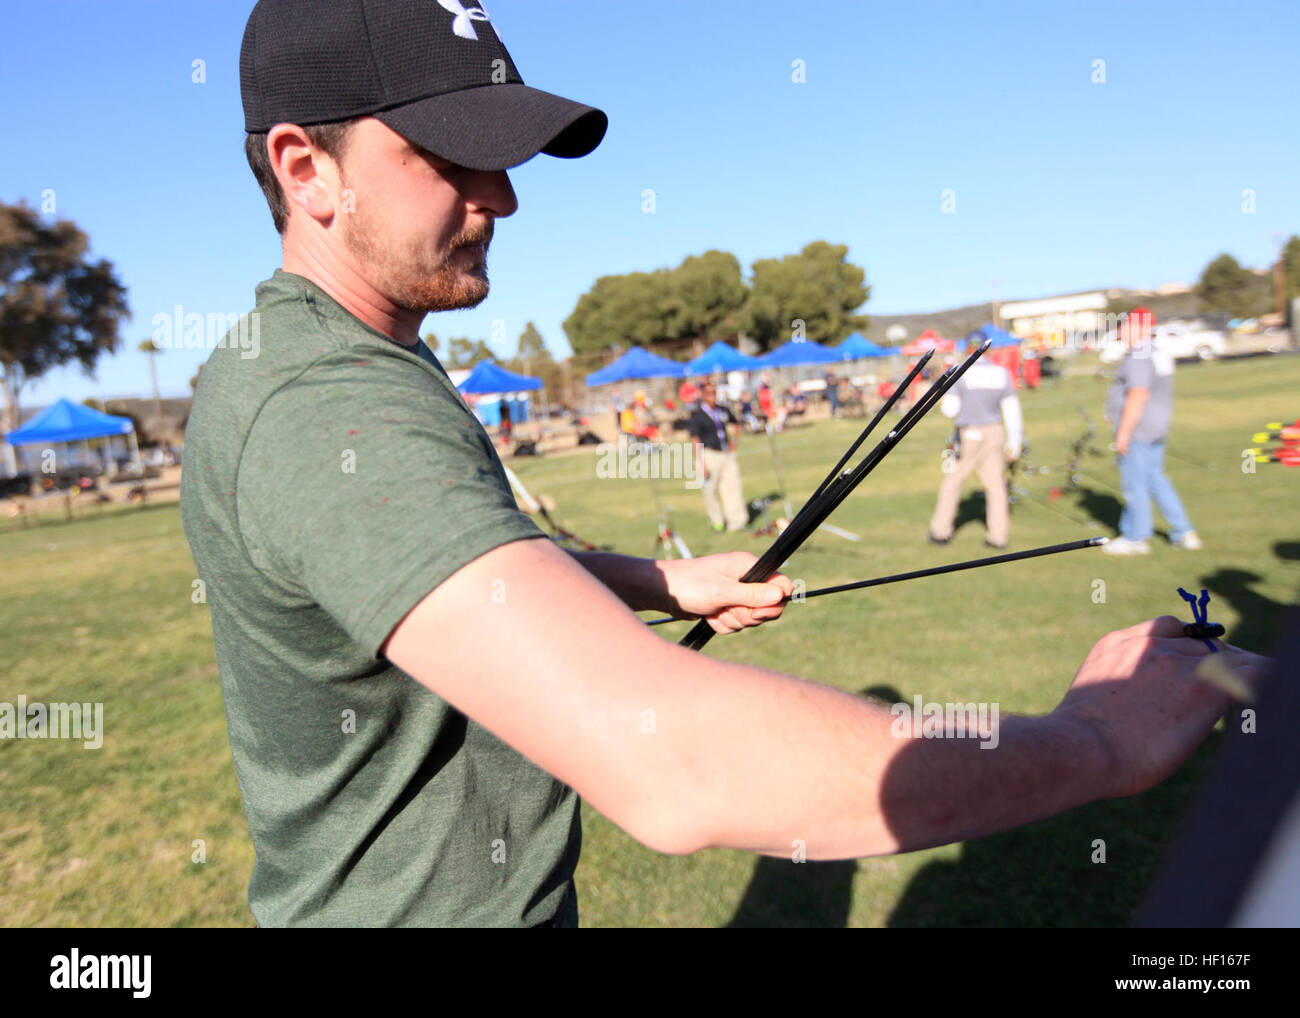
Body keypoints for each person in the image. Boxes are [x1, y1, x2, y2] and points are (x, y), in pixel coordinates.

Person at [181, 0, 1267, 929]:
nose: (502, 198)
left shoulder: (355, 360)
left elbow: (478, 554)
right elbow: (674, 760)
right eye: (452, 159)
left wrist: (662, 581)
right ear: (304, 168)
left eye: (500, 160)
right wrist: (1097, 742)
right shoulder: (320, 406)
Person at [1102, 307, 1201, 555]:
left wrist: (1123, 432)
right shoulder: (1157, 353)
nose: (1121, 330)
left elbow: (1138, 394)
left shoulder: (1139, 356)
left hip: (1139, 428)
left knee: (1135, 485)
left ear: (1140, 327)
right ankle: (1183, 531)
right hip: (1157, 426)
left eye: (1126, 325)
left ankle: (1135, 537)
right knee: (1156, 480)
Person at [928, 341, 1023, 549]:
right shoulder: (1001, 372)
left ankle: (940, 530)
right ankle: (998, 535)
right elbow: (1011, 409)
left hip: (969, 432)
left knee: (953, 482)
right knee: (996, 485)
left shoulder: (962, 372)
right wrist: (1015, 442)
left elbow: (950, 410)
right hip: (994, 431)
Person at [688, 381, 748, 532]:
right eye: (709, 393)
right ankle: (717, 520)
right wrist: (700, 464)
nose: (713, 397)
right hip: (709, 454)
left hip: (726, 453)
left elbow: (736, 424)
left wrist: (734, 441)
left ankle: (737, 521)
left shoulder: (723, 410)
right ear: (702, 395)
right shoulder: (697, 416)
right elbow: (695, 440)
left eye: (714, 393)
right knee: (710, 490)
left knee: (732, 487)